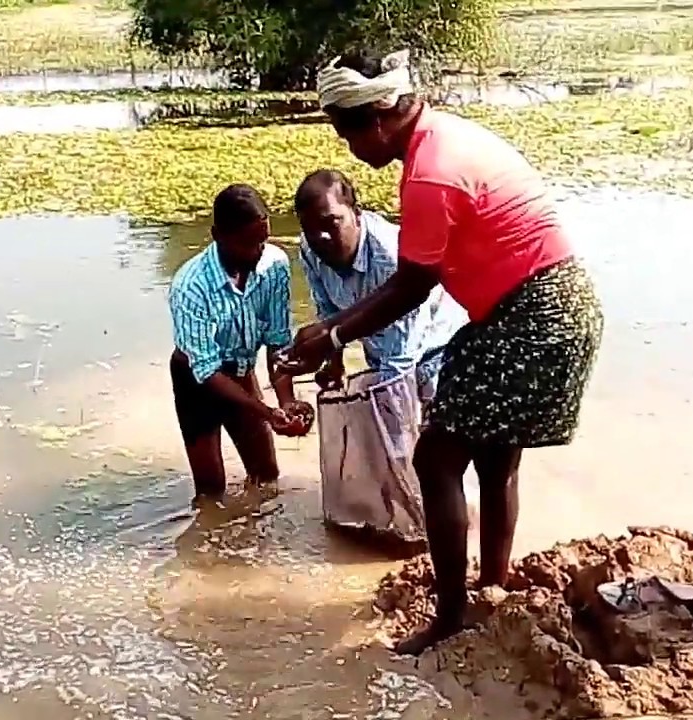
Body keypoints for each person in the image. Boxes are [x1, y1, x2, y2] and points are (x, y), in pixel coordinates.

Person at [280, 49, 603, 655]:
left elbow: (412, 283)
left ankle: (453, 614)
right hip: (555, 303)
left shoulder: (428, 170)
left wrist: (335, 333)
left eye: (346, 130)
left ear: (377, 115)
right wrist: (336, 333)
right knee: (494, 456)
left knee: (435, 461)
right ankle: (491, 583)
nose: (349, 147)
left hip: (532, 313)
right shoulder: (446, 137)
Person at [168, 184, 313, 501]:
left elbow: (278, 342)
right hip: (196, 381)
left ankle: (255, 543)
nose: (257, 250)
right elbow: (205, 371)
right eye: (247, 243)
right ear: (217, 235)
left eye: (262, 239)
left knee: (267, 477)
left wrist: (286, 400)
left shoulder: (274, 266)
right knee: (210, 491)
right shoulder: (190, 286)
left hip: (241, 370)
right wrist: (265, 410)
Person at [294, 168, 462, 401]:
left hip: (437, 355)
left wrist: (384, 404)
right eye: (310, 229)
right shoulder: (309, 249)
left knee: (420, 428)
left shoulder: (391, 256)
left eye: (331, 223)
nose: (320, 237)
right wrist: (334, 363)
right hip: (381, 355)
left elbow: (400, 359)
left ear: (357, 213)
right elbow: (329, 311)